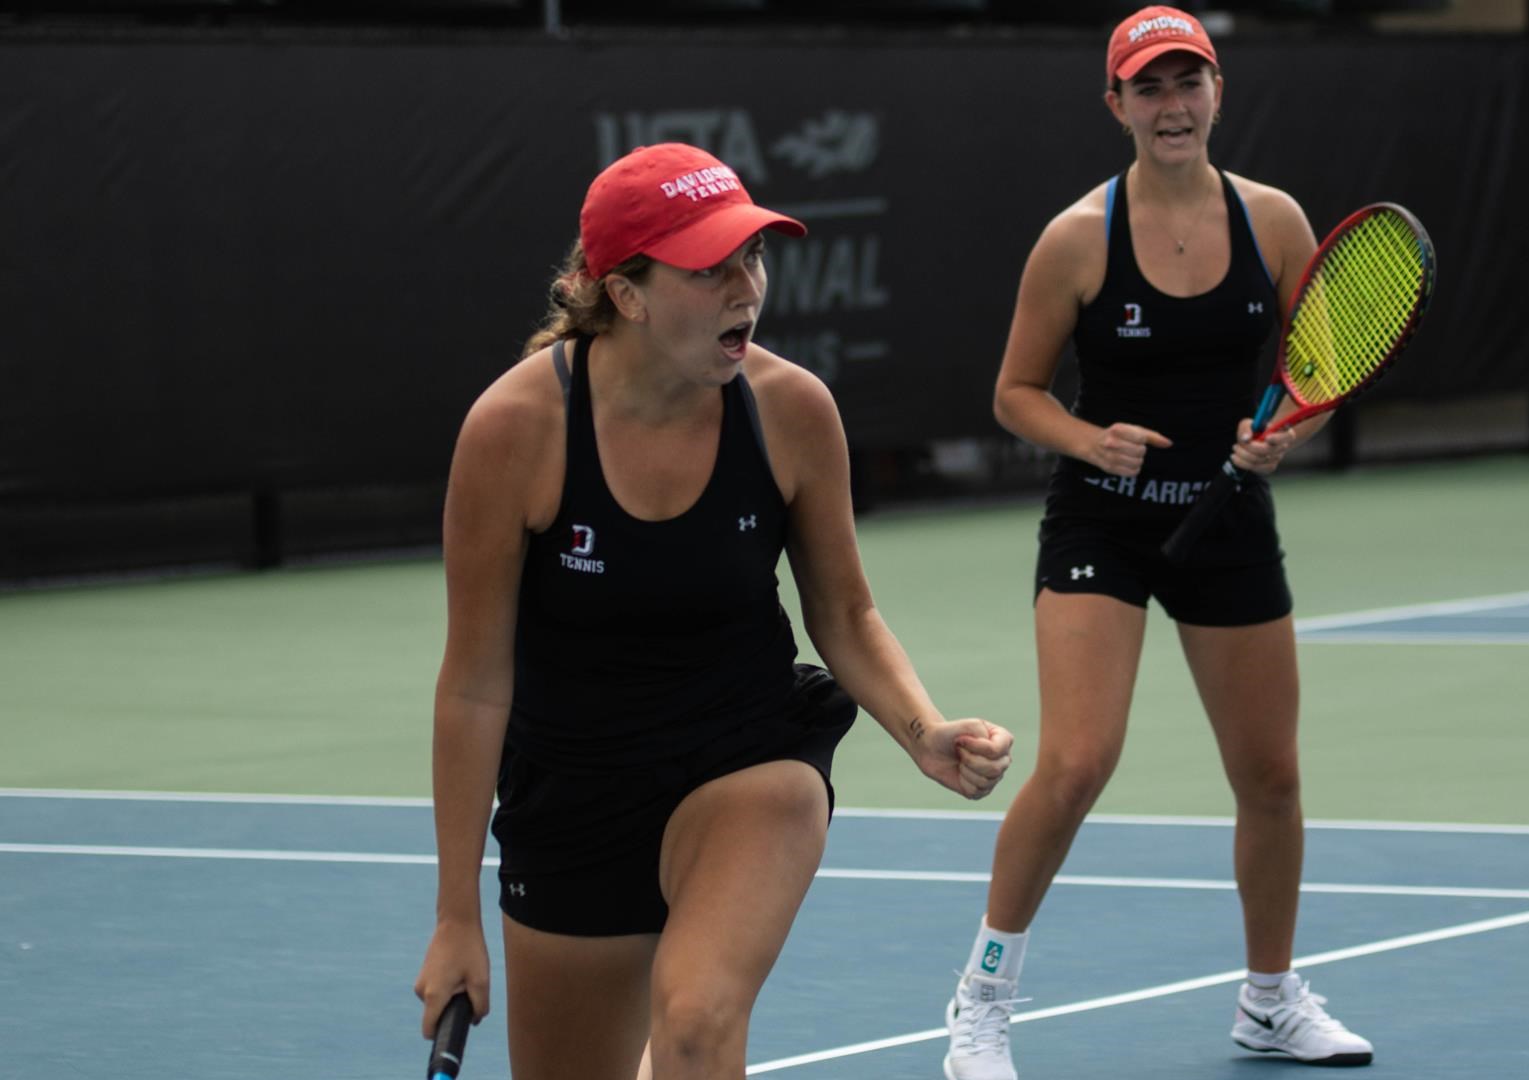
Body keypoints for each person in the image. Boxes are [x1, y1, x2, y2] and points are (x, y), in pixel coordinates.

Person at [411, 141, 1015, 1080]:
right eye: (710, 269)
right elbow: (477, 683)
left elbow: (844, 612)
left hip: (746, 757)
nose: (747, 288)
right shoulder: (515, 430)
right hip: (573, 791)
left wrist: (921, 728)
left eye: (754, 258)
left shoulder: (791, 410)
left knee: (694, 1023)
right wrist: (456, 915)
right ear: (626, 293)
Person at [940, 7, 1373, 1076]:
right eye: (1149, 88)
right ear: (1116, 105)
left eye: (1189, 83)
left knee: (1270, 774)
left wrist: (1282, 434)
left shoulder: (1274, 223)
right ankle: (981, 1003)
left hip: (1227, 516)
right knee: (1080, 760)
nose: (1171, 105)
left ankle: (1269, 1001)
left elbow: (1317, 372)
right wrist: (1092, 438)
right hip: (1103, 524)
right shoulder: (1076, 239)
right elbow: (1013, 394)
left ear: (1218, 93)